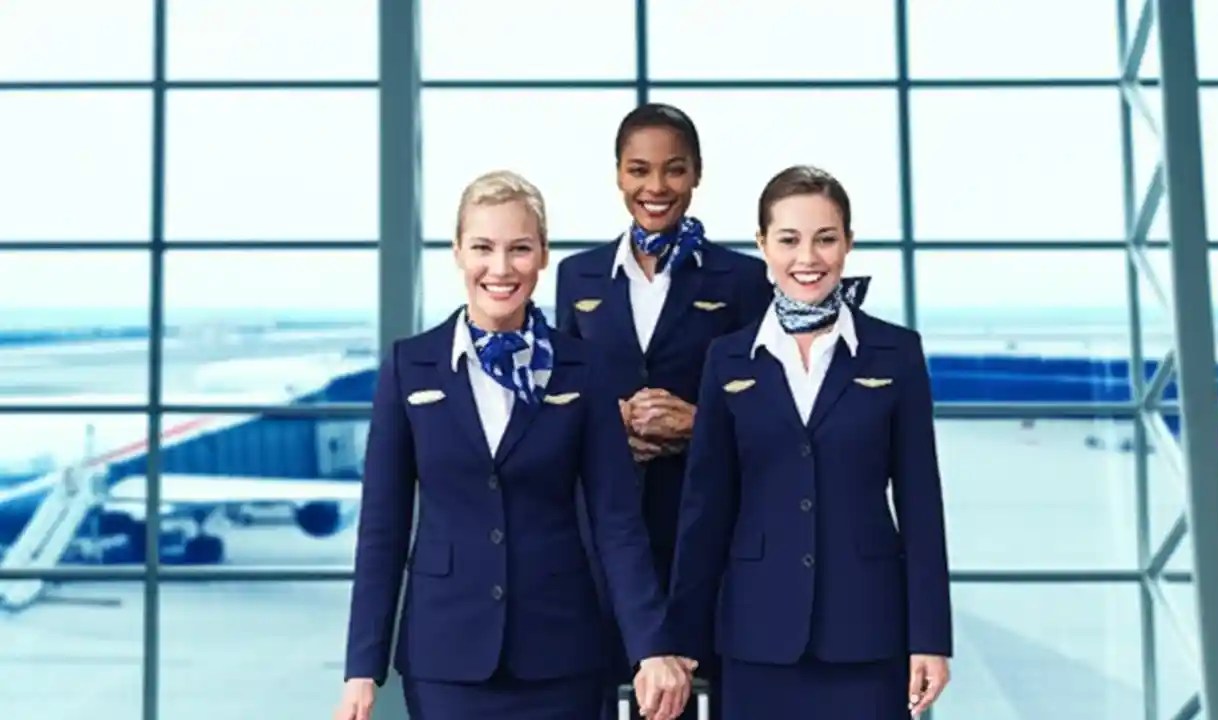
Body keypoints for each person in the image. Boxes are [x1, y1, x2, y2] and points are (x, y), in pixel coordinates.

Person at [335, 170, 694, 720]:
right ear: (458, 252)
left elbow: (616, 521)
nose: (500, 269)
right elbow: (381, 529)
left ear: (543, 254)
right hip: (446, 658)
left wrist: (649, 647)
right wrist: (362, 668)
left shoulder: (582, 369)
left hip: (561, 656)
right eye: (483, 247)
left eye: (519, 249)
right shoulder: (410, 368)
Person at [664, 165, 954, 719]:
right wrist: (683, 637)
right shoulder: (728, 358)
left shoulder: (896, 354)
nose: (808, 258)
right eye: (789, 239)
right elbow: (706, 509)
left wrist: (931, 637)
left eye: (825, 239)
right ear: (762, 246)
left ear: (848, 243)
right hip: (754, 636)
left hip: (867, 635)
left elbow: (921, 505)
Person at [555, 102, 772, 718]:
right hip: (605, 535)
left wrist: (701, 425)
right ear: (618, 175)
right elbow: (560, 400)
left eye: (674, 170)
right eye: (639, 170)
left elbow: (771, 413)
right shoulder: (579, 278)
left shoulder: (743, 280)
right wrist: (608, 426)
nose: (656, 188)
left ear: (697, 173)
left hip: (705, 535)